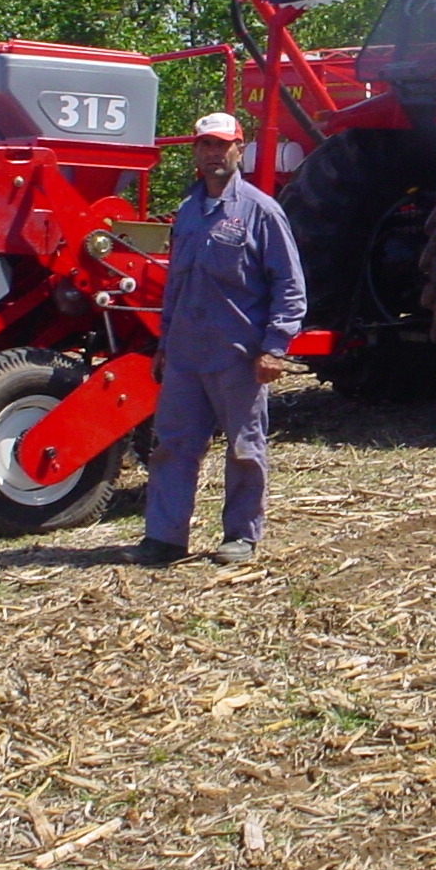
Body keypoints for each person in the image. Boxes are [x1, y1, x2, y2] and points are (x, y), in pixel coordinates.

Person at [130, 112, 306, 567]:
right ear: (195, 151)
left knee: (244, 449)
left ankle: (241, 536)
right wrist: (164, 344)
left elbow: (290, 286)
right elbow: (176, 284)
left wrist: (275, 347)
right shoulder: (188, 211)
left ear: (239, 149)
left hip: (238, 356)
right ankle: (165, 537)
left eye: (222, 145)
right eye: (205, 145)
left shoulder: (261, 211)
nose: (213, 154)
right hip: (186, 355)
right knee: (172, 446)